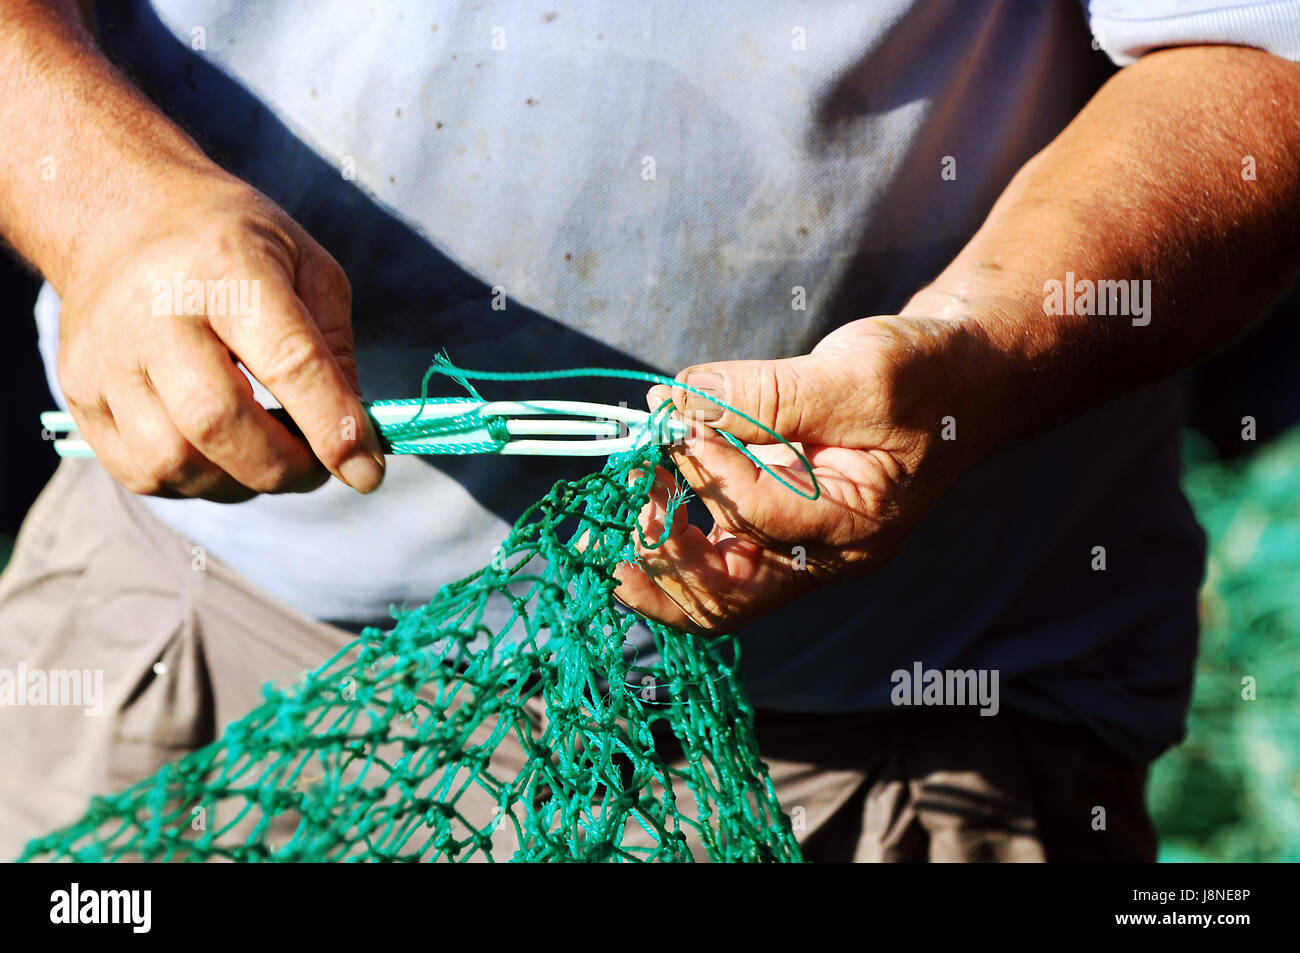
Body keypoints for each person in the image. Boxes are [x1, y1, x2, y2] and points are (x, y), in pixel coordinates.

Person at [1, 0, 1297, 862]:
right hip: (190, 639)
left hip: (880, 736)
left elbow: (1260, 64)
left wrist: (982, 352)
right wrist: (100, 202)